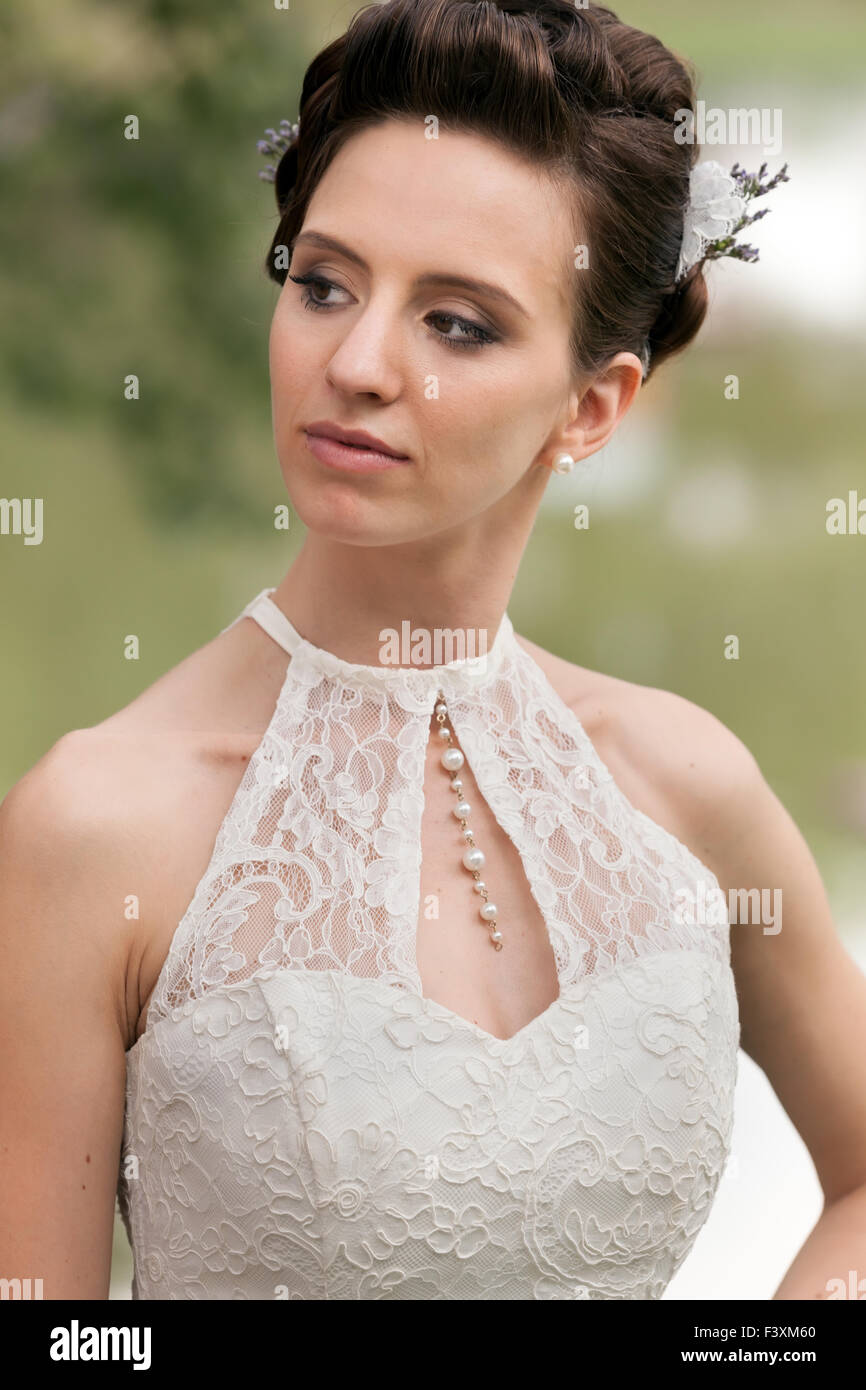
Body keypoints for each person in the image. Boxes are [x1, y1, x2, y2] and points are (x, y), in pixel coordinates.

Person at [2, 0, 864, 1301]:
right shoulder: (95, 823)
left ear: (591, 407)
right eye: (323, 282)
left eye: (455, 322)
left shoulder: (682, 785)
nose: (352, 362)